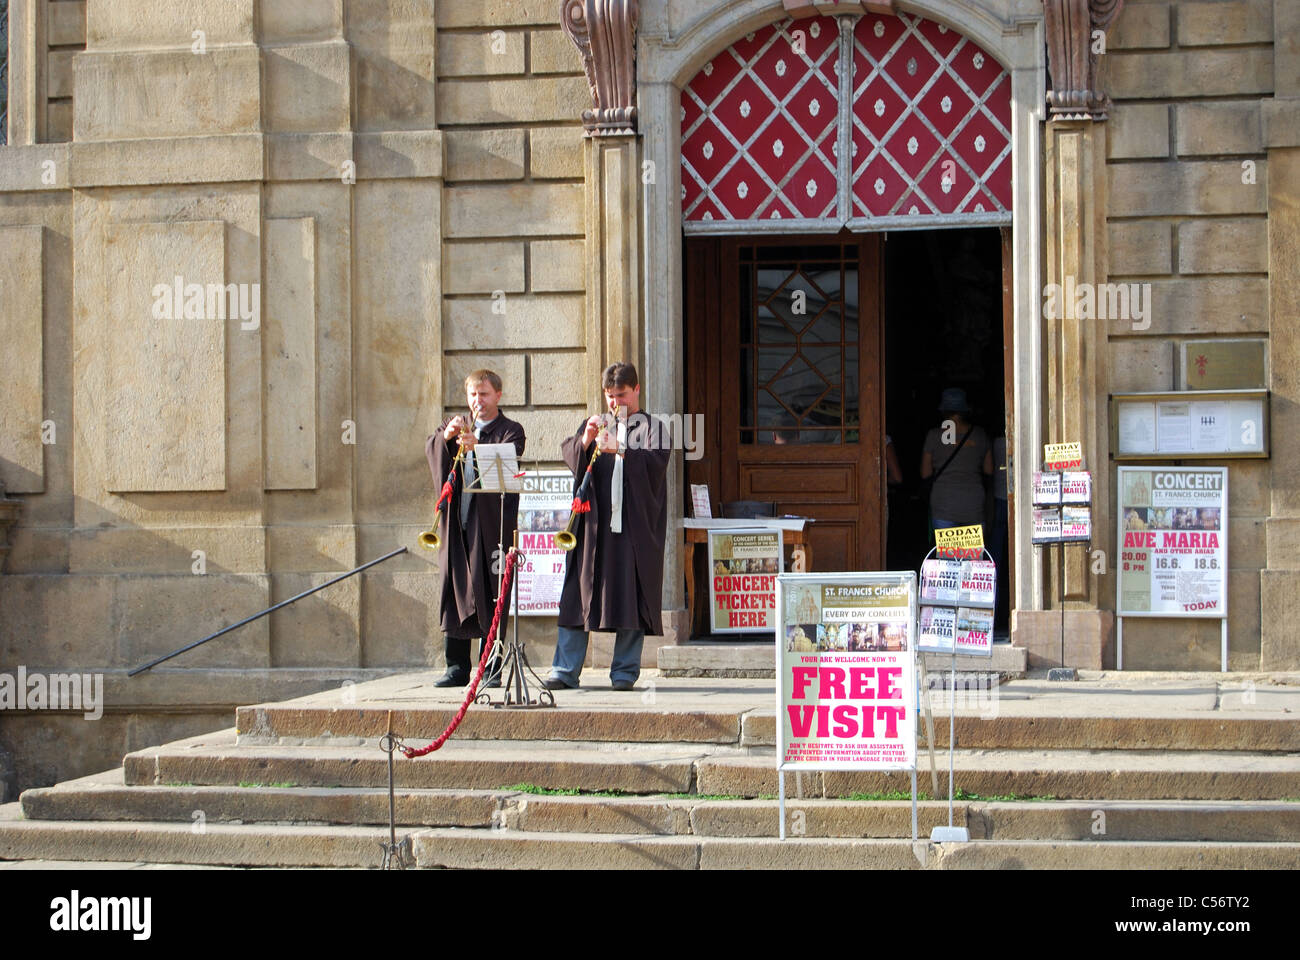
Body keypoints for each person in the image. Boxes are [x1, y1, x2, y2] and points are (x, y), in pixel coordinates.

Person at [545, 362, 670, 691]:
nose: (617, 403)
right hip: (594, 531)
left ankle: (625, 672)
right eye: (611, 396)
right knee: (577, 593)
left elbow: (656, 467)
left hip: (632, 532)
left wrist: (623, 450)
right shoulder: (597, 424)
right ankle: (565, 669)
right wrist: (585, 441)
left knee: (631, 595)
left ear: (637, 390)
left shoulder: (653, 427)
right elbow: (572, 459)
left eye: (623, 395)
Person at [425, 370, 526, 688]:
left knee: (493, 593)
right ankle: (456, 666)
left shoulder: (510, 430)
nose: (477, 401)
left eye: (483, 394)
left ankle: (490, 665)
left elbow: (509, 463)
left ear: (498, 395)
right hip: (458, 527)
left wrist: (477, 447)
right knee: (454, 592)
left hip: (492, 529)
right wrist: (446, 439)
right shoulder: (453, 426)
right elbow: (433, 454)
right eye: (472, 395)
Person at [919, 387, 993, 535]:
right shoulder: (980, 435)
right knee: (972, 558)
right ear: (965, 410)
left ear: (943, 410)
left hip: (943, 505)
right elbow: (989, 470)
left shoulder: (933, 435)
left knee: (946, 557)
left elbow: (925, 473)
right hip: (973, 505)